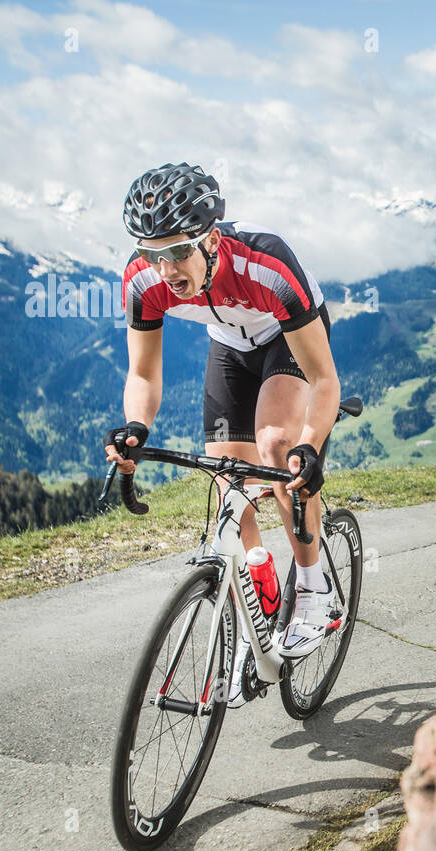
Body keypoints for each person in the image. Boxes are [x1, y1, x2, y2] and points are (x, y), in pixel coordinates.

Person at [103, 162, 341, 706]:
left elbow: (325, 380)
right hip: (229, 348)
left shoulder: (267, 266)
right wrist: (137, 426)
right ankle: (255, 595)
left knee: (276, 446)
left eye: (177, 252)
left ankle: (315, 588)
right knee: (226, 476)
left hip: (288, 337)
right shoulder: (143, 281)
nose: (164, 269)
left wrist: (310, 444)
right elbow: (142, 373)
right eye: (150, 252)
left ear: (210, 239)